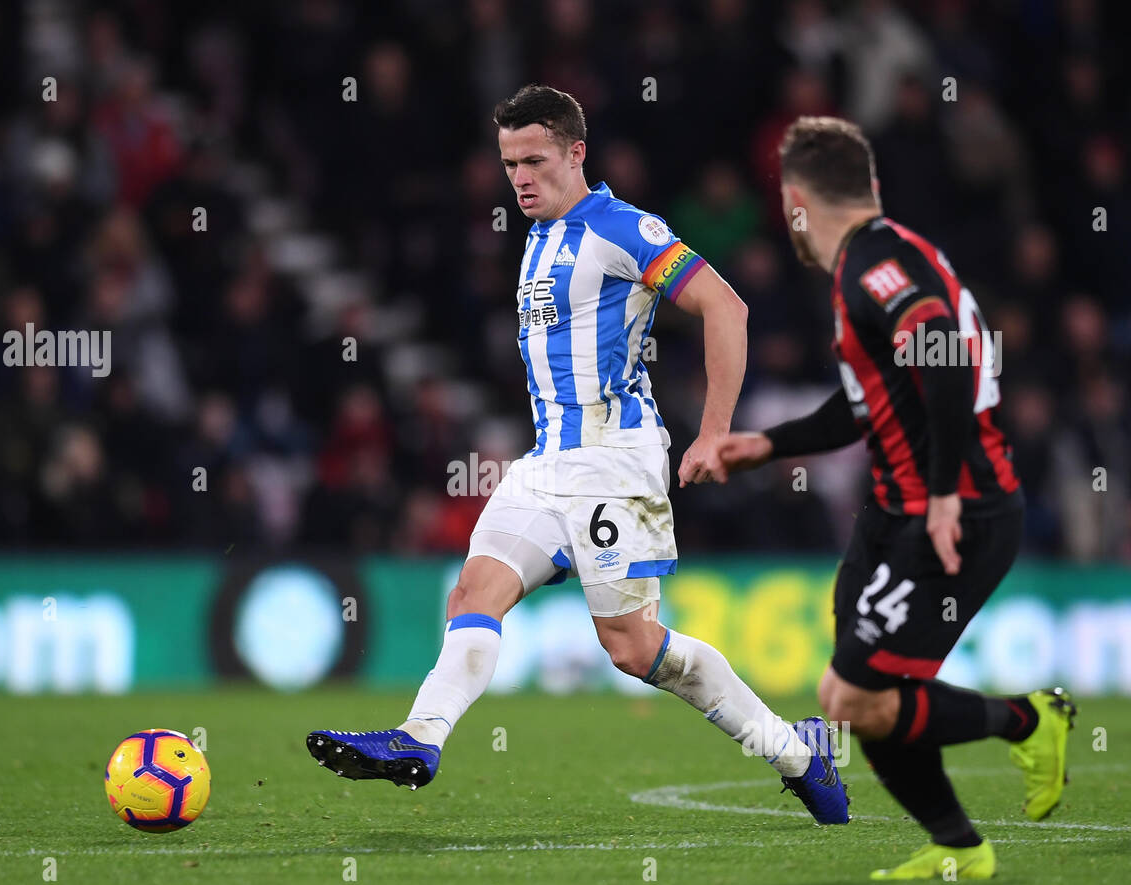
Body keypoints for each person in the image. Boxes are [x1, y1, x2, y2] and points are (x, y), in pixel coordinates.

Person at [307, 85, 849, 825]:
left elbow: (727, 306)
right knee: (472, 593)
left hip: (612, 464)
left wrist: (716, 430)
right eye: (508, 164)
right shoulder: (539, 234)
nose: (520, 178)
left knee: (633, 648)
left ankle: (795, 755)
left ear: (575, 152)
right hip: (546, 463)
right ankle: (419, 739)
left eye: (534, 160)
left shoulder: (623, 228)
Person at [716, 116, 1075, 879]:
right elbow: (860, 407)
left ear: (796, 204)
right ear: (871, 186)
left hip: (956, 510)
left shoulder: (874, 268)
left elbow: (940, 349)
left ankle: (1030, 719)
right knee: (866, 681)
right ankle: (958, 847)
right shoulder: (877, 259)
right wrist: (766, 445)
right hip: (894, 511)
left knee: (849, 696)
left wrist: (943, 494)